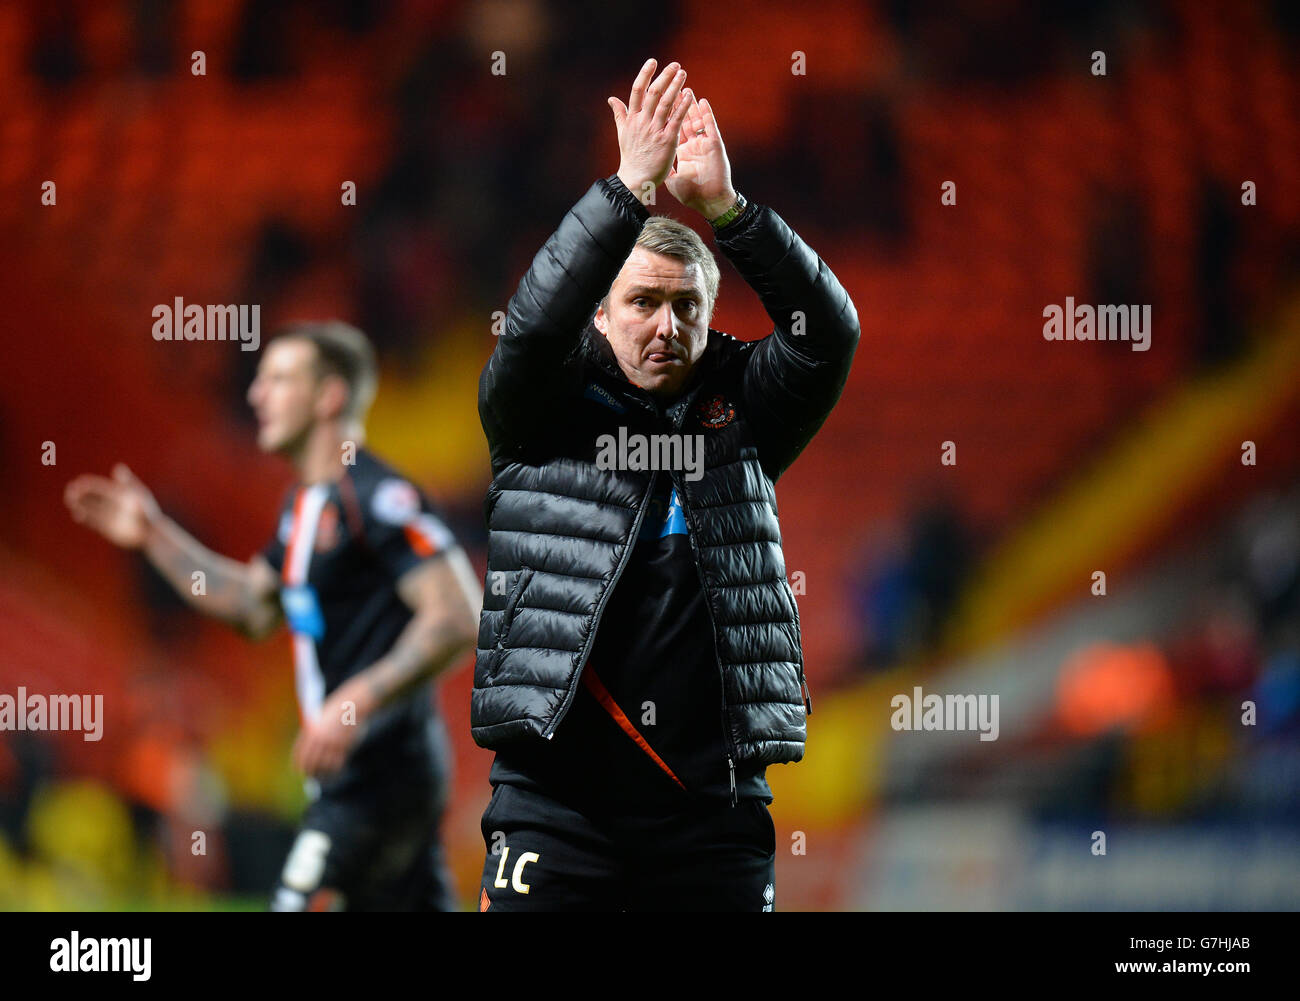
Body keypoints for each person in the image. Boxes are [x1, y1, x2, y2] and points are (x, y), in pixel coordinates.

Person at [473, 59, 859, 911]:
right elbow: (533, 331)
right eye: (642, 302)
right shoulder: (541, 412)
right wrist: (625, 193)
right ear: (601, 313)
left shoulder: (746, 409)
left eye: (687, 306)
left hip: (709, 811)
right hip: (558, 803)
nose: (666, 326)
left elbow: (829, 335)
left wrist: (730, 211)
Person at [64, 321, 481, 911]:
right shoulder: (305, 506)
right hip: (372, 782)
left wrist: (355, 699)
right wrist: (153, 534)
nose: (258, 394)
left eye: (280, 379)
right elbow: (253, 607)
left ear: (329, 396)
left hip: (375, 780)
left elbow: (459, 613)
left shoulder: (374, 497)